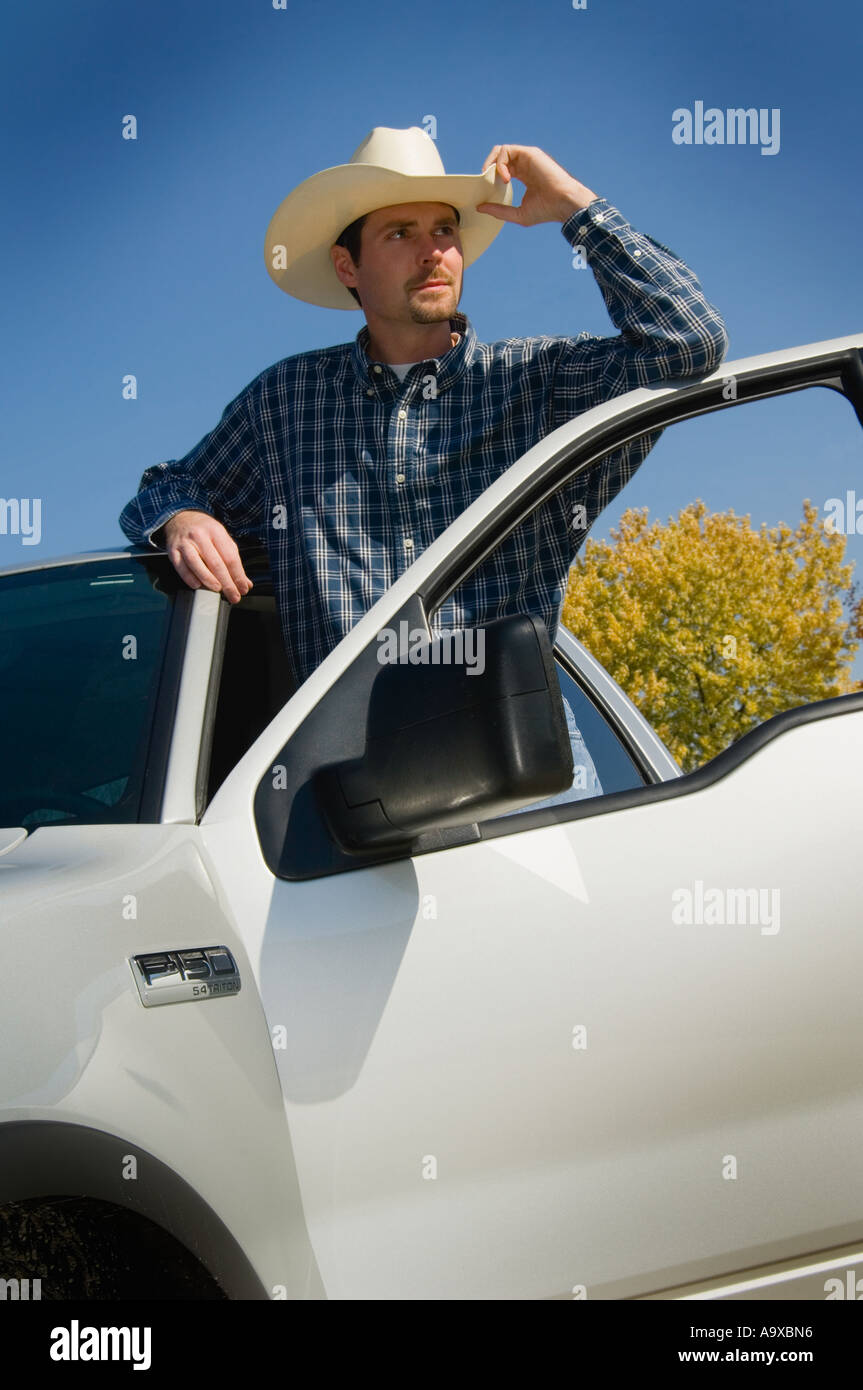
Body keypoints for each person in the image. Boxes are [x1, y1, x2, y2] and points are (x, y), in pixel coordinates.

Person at [119, 125, 728, 806]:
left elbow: (688, 341)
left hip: (533, 773)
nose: (433, 250)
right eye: (399, 233)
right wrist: (185, 516)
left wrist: (576, 210)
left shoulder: (536, 381)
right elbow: (165, 486)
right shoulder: (285, 402)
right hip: (350, 784)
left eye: (444, 229)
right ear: (347, 267)